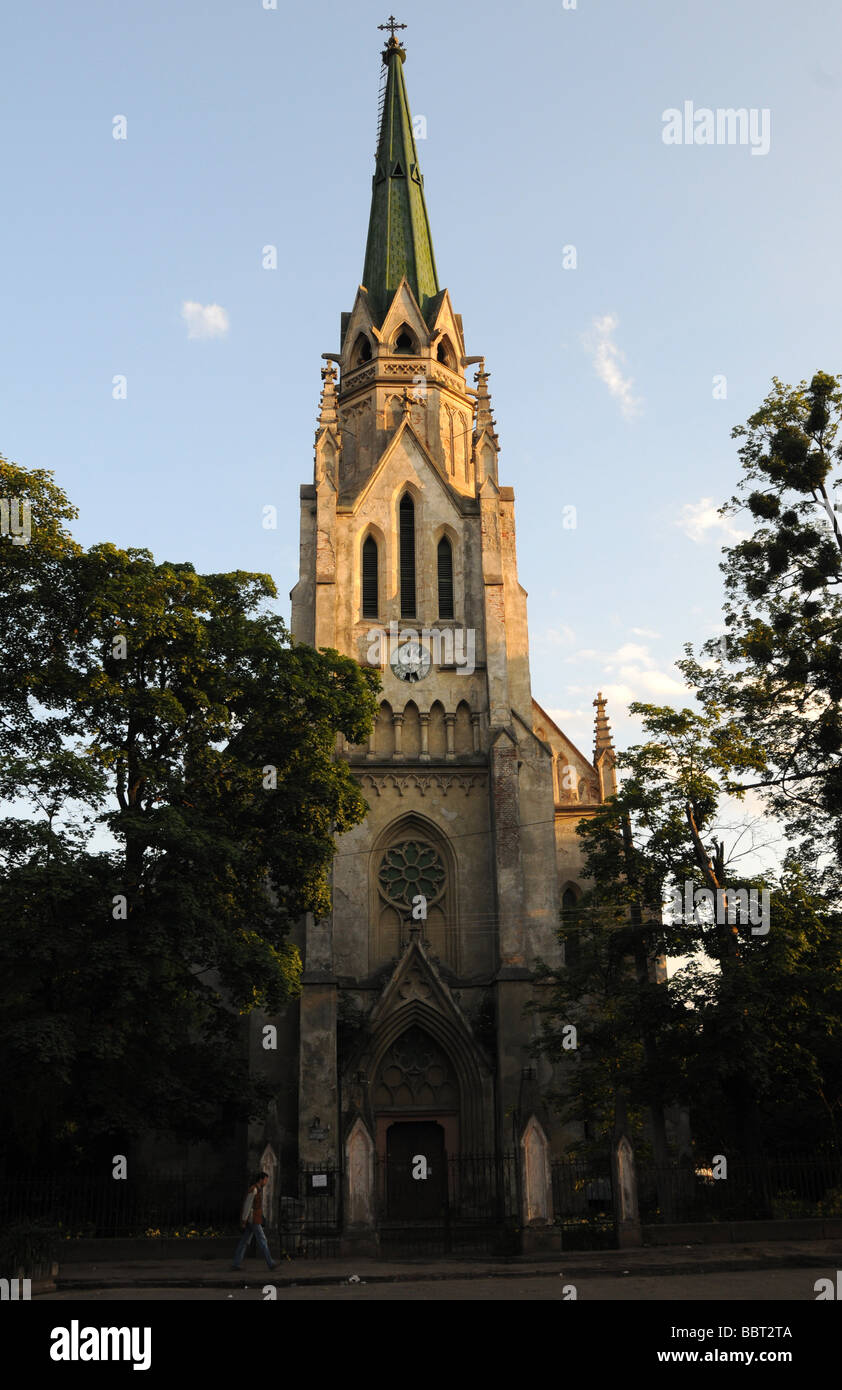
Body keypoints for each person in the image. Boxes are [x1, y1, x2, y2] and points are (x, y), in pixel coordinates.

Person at [231, 1171, 278, 1271]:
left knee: (244, 1241)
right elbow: (248, 1206)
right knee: (262, 1240)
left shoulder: (257, 1189)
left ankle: (236, 1263)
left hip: (254, 1219)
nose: (266, 1182)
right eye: (265, 1180)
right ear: (261, 1180)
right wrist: (244, 1220)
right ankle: (270, 1263)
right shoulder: (254, 1190)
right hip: (253, 1220)